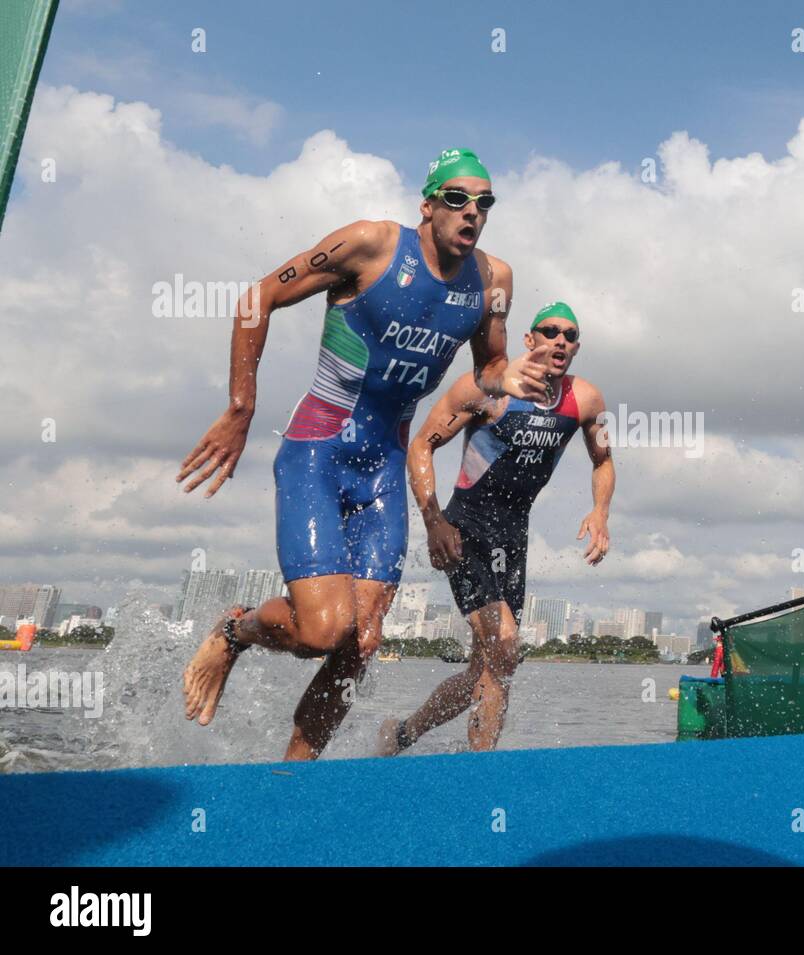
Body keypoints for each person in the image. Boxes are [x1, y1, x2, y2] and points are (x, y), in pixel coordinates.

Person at [177, 148, 553, 760]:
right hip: (318, 451)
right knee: (325, 630)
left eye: (485, 203)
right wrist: (242, 407)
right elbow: (257, 299)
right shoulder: (369, 245)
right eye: (457, 198)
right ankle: (234, 630)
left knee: (365, 641)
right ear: (427, 205)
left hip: (382, 466)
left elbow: (490, 364)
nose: (472, 212)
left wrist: (501, 381)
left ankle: (295, 780)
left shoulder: (493, 282)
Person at [377, 301, 613, 755]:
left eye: (569, 335)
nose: (559, 340)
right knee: (505, 644)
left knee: (489, 667)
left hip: (513, 538)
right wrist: (434, 523)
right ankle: (479, 772)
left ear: (576, 347)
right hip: (464, 530)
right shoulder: (487, 389)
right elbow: (421, 446)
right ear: (530, 340)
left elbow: (603, 460)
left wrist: (600, 511)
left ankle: (402, 733)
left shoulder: (587, 400)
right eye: (549, 331)